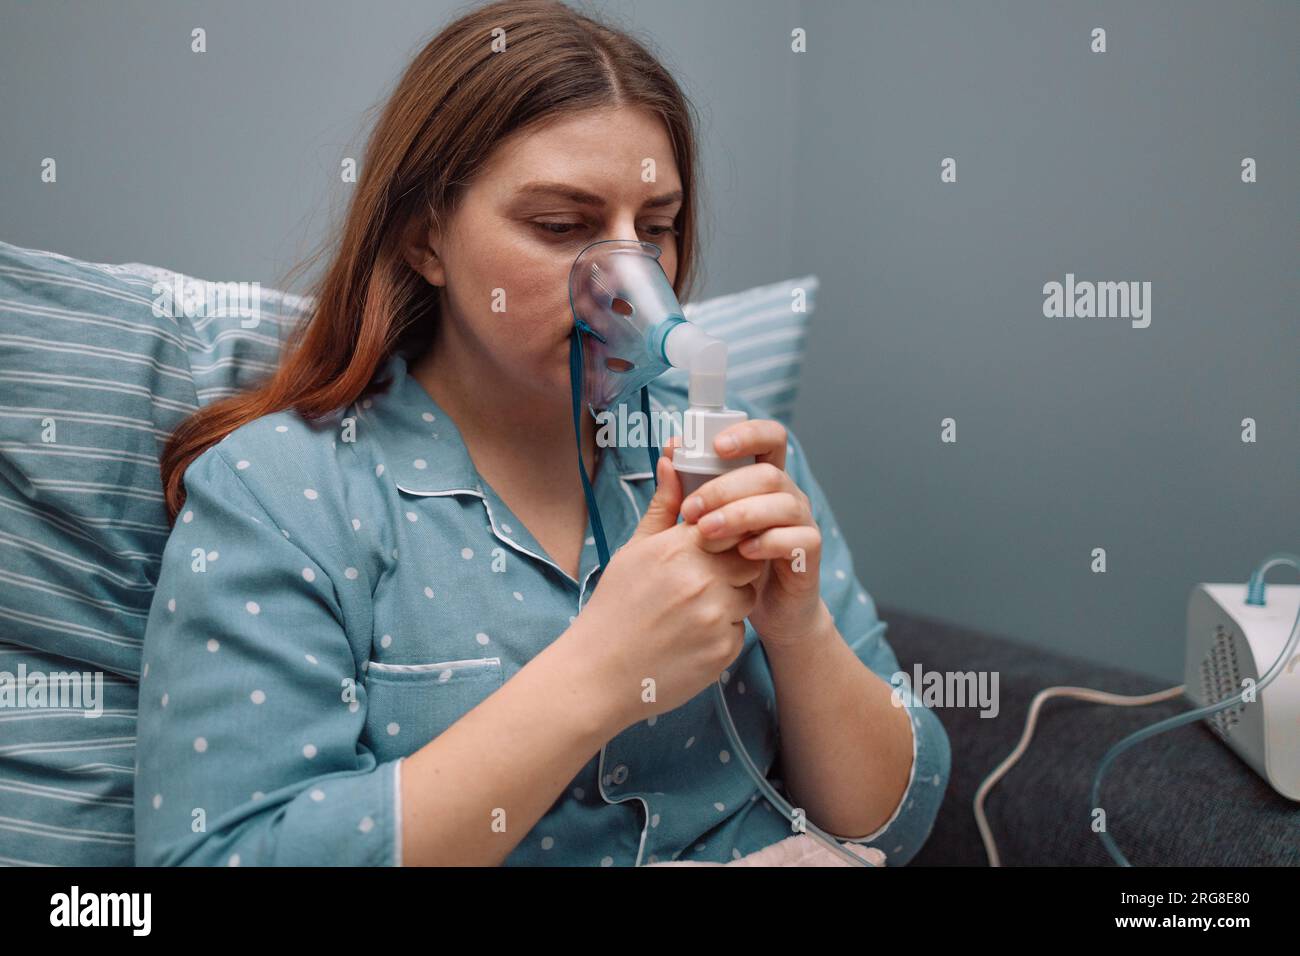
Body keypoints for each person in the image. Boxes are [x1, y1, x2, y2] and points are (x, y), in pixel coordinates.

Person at [135, 0, 950, 867]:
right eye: (561, 227)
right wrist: (596, 675)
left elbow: (889, 824)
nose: (630, 281)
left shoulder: (727, 447)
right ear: (424, 238)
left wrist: (799, 632)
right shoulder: (286, 494)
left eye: (658, 229)